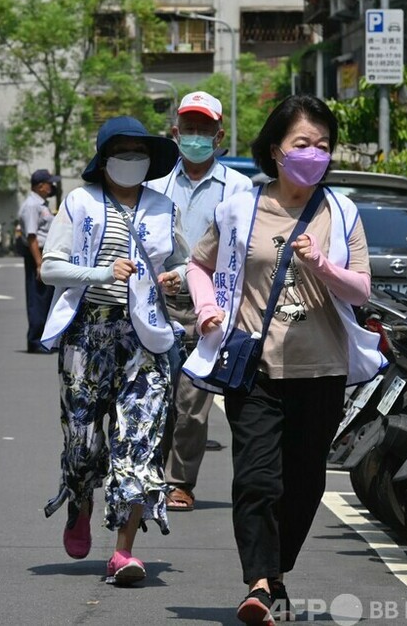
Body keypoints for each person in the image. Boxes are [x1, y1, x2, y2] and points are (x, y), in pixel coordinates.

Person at [181, 95, 384, 624]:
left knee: (303, 483)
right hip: (256, 367)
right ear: (276, 151)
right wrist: (207, 311)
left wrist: (322, 266)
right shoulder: (239, 207)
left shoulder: (342, 212)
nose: (314, 154)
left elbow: (361, 291)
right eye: (302, 144)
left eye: (323, 146)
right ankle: (260, 583)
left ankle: (276, 572)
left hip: (323, 371)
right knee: (256, 479)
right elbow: (198, 267)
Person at [39, 116, 188, 586]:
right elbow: (49, 268)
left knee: (139, 440)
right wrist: (100, 275)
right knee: (83, 441)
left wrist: (177, 279)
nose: (130, 160)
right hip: (88, 335)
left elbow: (184, 264)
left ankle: (124, 552)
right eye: (121, 151)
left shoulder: (164, 208)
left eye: (138, 151)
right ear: (104, 160)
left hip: (144, 338)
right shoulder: (79, 203)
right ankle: (81, 501)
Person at [146, 91, 253, 512]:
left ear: (218, 134)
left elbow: (239, 249)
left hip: (209, 310)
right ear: (174, 133)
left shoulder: (239, 188)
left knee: (192, 401)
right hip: (157, 304)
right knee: (156, 394)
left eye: (203, 130)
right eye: (188, 128)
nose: (194, 136)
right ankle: (148, 471)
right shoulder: (154, 186)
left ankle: (179, 481)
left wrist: (193, 275)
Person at [19, 169, 59, 353]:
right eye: (49, 183)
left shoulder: (41, 204)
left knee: (47, 297)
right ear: (40, 185)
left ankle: (45, 339)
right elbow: (32, 237)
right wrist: (39, 263)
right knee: (38, 298)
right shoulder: (31, 206)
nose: (52, 186)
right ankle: (35, 340)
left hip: (46, 253)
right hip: (38, 254)